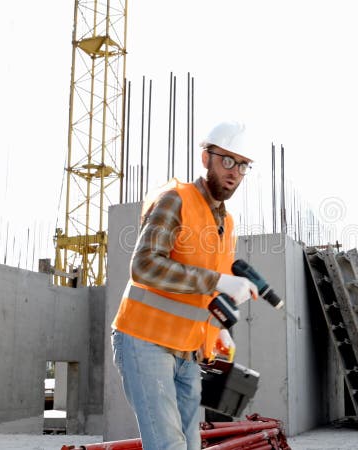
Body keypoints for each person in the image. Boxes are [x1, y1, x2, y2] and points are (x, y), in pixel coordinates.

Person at [111, 120, 258, 450]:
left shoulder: (227, 222)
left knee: (191, 445)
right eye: (227, 160)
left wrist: (216, 329)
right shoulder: (175, 200)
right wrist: (219, 280)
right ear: (206, 159)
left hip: (189, 352)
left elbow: (204, 289)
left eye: (243, 165)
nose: (234, 171)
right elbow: (144, 265)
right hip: (145, 340)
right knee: (169, 446)